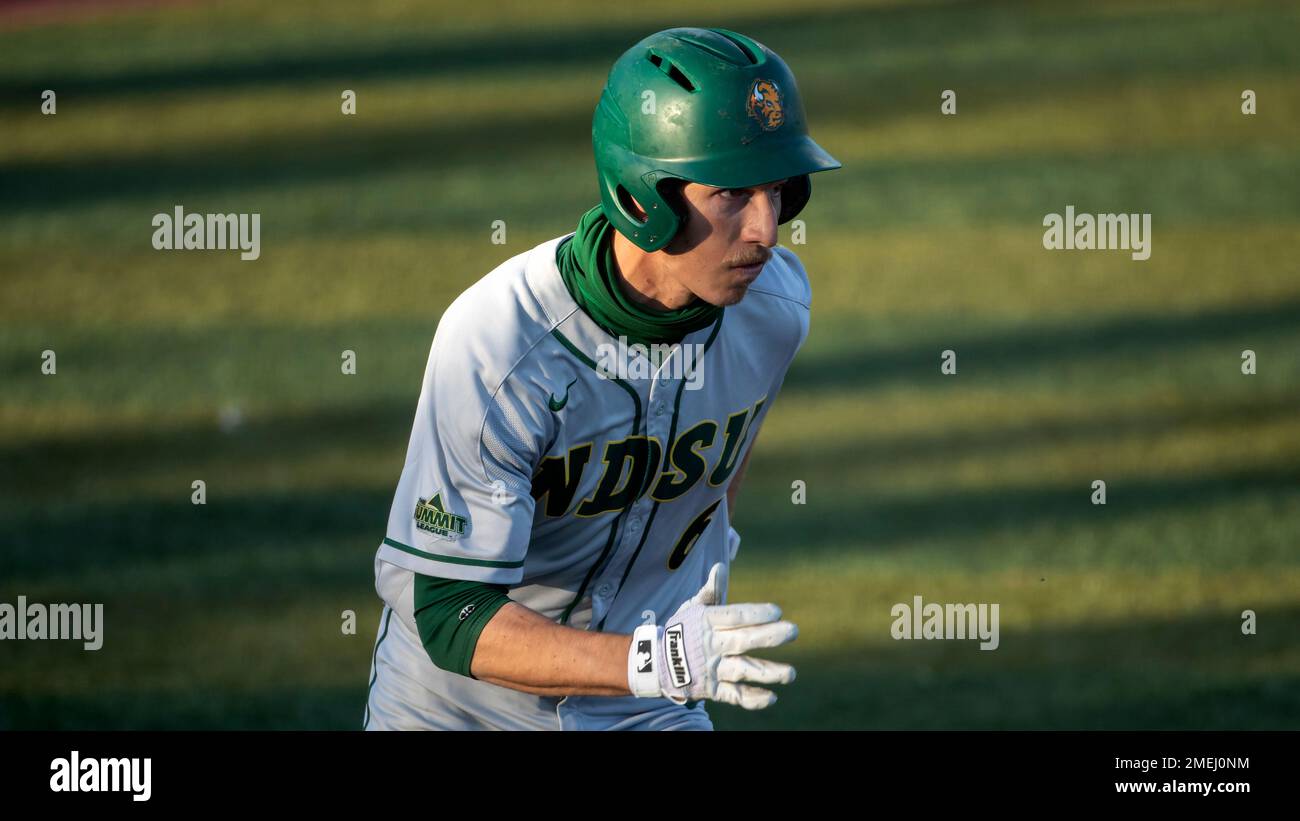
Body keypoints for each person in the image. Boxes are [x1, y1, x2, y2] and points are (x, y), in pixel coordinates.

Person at [363, 26, 840, 730]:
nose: (767, 231)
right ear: (644, 196)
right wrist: (649, 661)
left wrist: (696, 566)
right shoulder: (500, 344)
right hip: (457, 708)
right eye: (733, 194)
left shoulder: (774, 310)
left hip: (645, 707)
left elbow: (720, 469)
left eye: (778, 190)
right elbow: (450, 613)